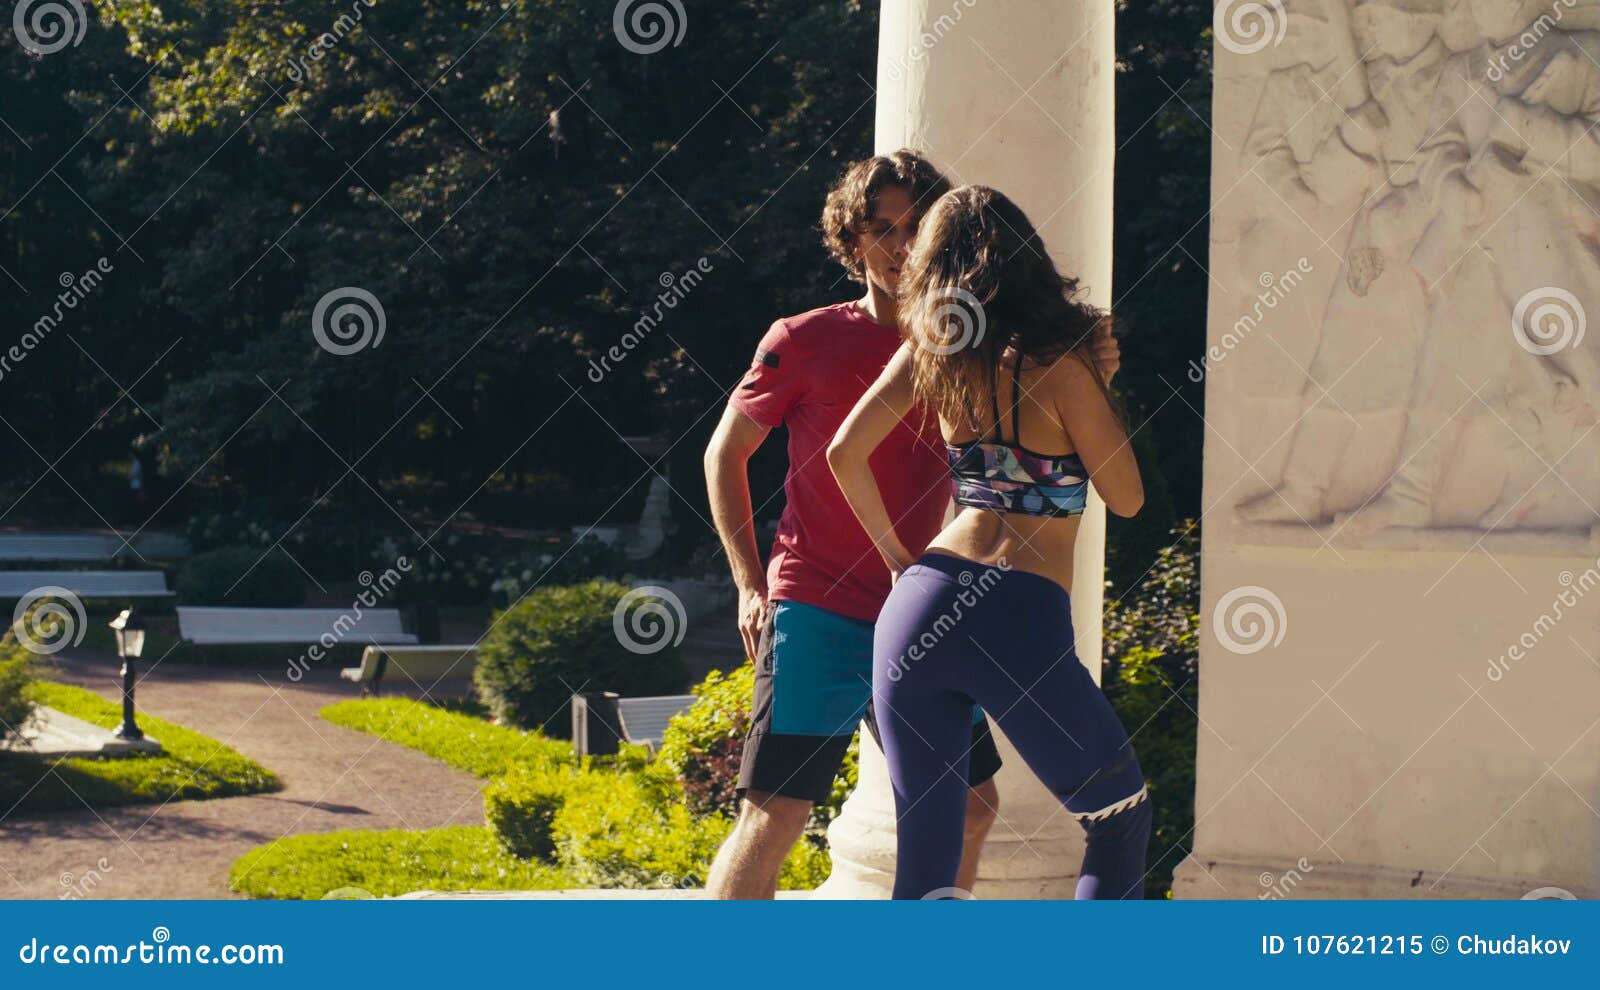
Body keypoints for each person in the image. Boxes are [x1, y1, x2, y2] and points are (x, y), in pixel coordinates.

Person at [702, 150, 1121, 899]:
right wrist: (747, 583)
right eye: (878, 230)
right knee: (776, 817)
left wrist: (1094, 363)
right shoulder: (801, 339)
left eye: (913, 229)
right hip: (818, 610)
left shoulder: (964, 345)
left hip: (923, 622)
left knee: (971, 807)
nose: (898, 249)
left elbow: (1039, 428)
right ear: (849, 241)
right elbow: (724, 455)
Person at [827, 184, 1152, 900]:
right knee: (1118, 816)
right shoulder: (1065, 369)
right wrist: (1100, 383)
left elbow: (843, 453)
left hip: (918, 607)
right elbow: (1127, 498)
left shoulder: (932, 356)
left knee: (927, 866)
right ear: (1031, 263)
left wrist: (897, 561)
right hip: (1017, 611)